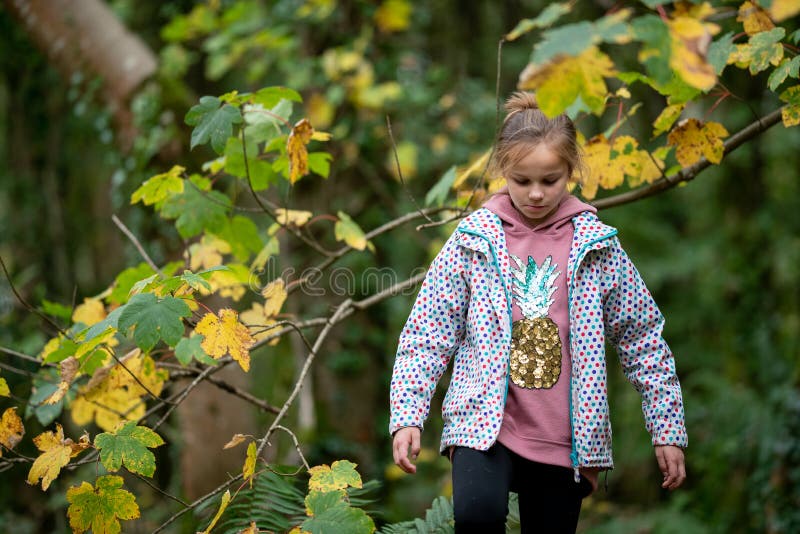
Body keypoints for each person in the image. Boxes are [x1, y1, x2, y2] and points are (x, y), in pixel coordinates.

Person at [389, 92, 687, 533]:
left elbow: (642, 337)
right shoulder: (472, 241)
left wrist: (667, 429)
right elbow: (428, 332)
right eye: (521, 179)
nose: (535, 193)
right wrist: (407, 415)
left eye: (550, 180)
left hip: (566, 438)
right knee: (476, 517)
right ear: (502, 169)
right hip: (482, 425)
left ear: (571, 170)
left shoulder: (597, 247)